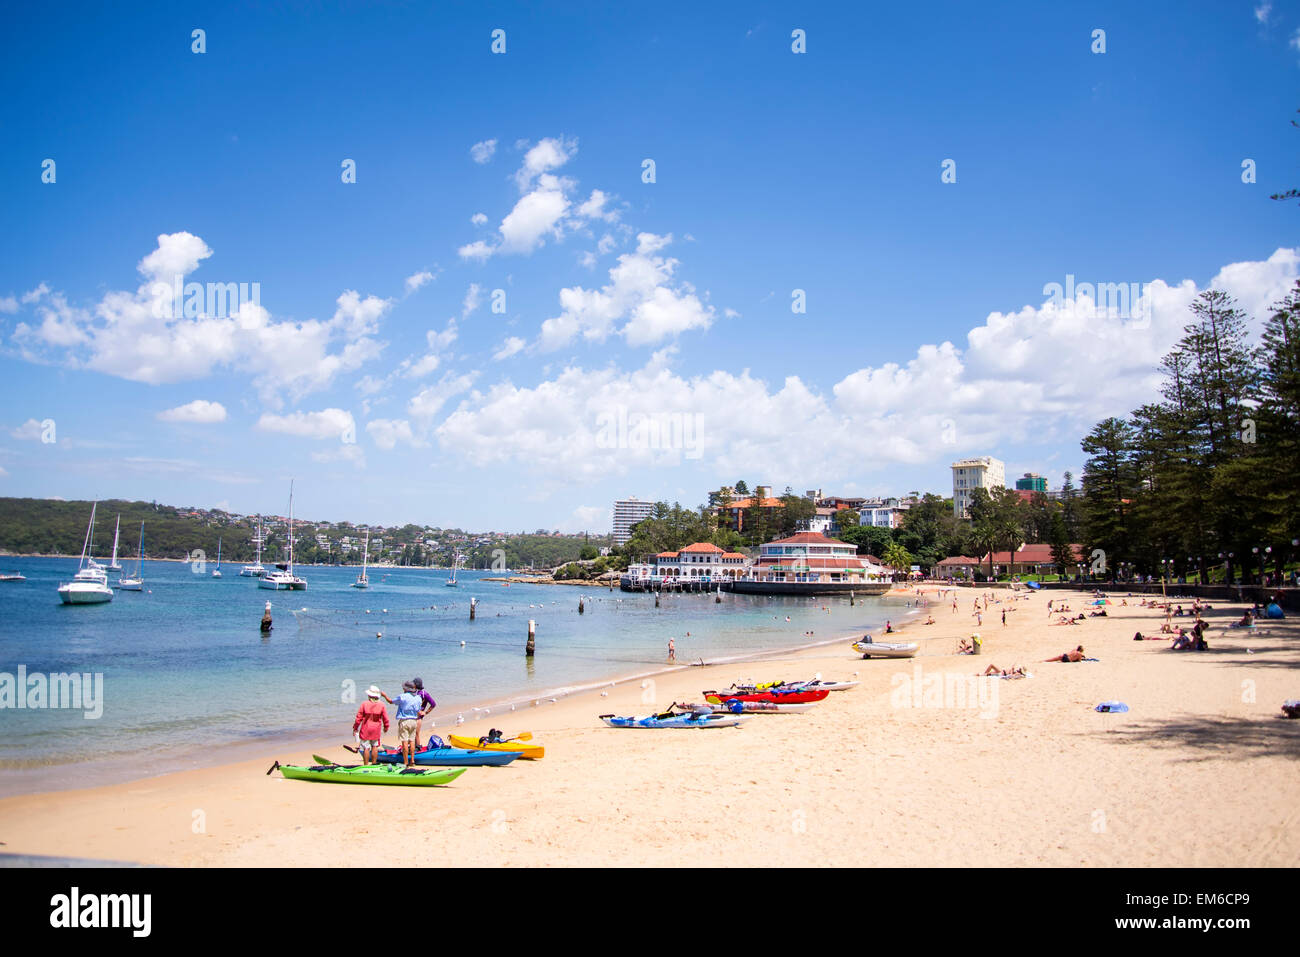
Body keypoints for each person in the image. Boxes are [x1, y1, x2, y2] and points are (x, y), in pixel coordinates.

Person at [353, 685, 389, 765]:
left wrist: (355, 728)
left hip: (366, 728)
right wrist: (386, 727)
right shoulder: (381, 705)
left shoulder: (364, 704)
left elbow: (358, 718)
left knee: (366, 747)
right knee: (375, 746)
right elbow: (385, 718)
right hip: (376, 728)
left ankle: (366, 764)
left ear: (369, 695)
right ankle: (374, 763)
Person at [391, 681, 423, 767]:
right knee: (412, 741)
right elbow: (418, 710)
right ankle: (412, 761)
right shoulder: (418, 697)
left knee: (404, 741)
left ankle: (405, 762)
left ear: (405, 689)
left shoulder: (402, 696)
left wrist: (384, 696)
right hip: (414, 721)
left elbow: (391, 701)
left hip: (404, 720)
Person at [411, 677, 437, 749]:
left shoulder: (424, 694)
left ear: (416, 685)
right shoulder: (413, 693)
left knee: (416, 734)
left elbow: (433, 704)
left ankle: (417, 749)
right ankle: (412, 748)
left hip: (418, 718)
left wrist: (426, 712)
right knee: (411, 735)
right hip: (412, 716)